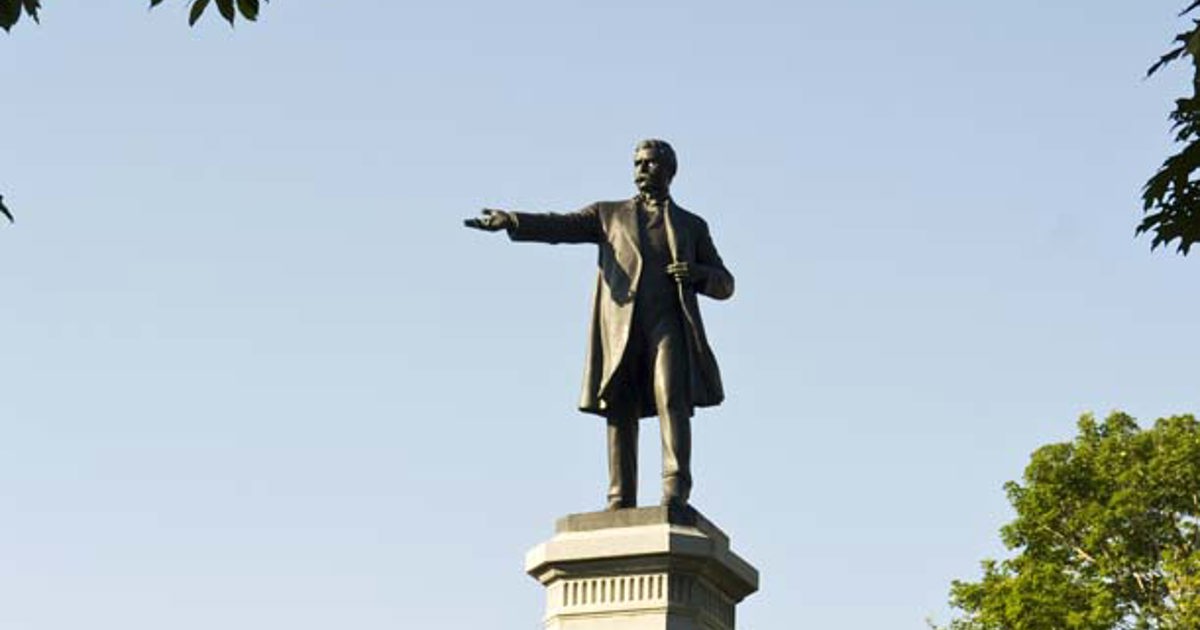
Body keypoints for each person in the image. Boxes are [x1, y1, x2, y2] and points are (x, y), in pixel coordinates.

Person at [464, 139, 734, 510]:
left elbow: (725, 283)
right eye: (638, 163)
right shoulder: (609, 215)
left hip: (668, 326)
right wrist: (514, 220)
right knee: (620, 407)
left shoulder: (690, 225)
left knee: (671, 398)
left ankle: (675, 490)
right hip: (621, 327)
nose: (642, 169)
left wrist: (697, 273)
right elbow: (560, 226)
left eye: (651, 163)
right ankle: (620, 496)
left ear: (670, 170)